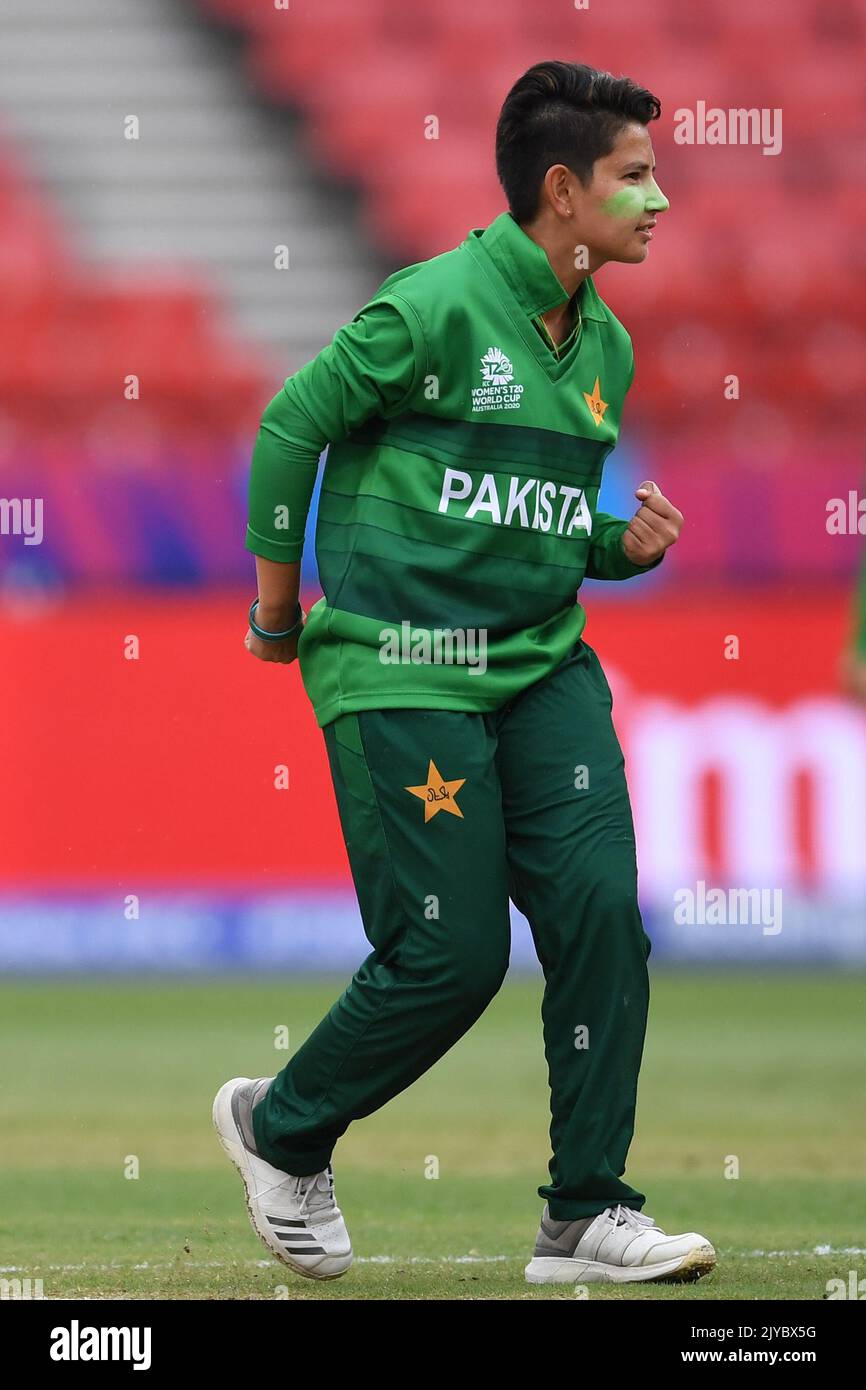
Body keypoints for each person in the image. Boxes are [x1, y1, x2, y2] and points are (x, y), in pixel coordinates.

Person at [214, 59, 716, 1287]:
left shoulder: (604, 343)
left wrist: (615, 547)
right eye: (634, 177)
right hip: (403, 662)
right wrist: (282, 614)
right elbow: (292, 424)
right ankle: (280, 1128)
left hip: (542, 665)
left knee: (601, 916)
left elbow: (539, 523)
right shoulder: (431, 307)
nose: (659, 201)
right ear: (562, 191)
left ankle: (584, 1215)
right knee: (450, 956)